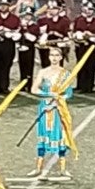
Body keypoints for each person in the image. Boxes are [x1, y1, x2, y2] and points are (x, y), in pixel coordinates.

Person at [30, 47, 74, 178]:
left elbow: (69, 93)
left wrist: (57, 100)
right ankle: (38, 167)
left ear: (61, 57)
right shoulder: (43, 72)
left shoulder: (65, 74)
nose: (54, 58)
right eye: (52, 55)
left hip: (59, 108)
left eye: (57, 55)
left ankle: (63, 168)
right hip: (45, 106)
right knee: (43, 136)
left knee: (60, 137)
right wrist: (48, 95)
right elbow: (34, 89)